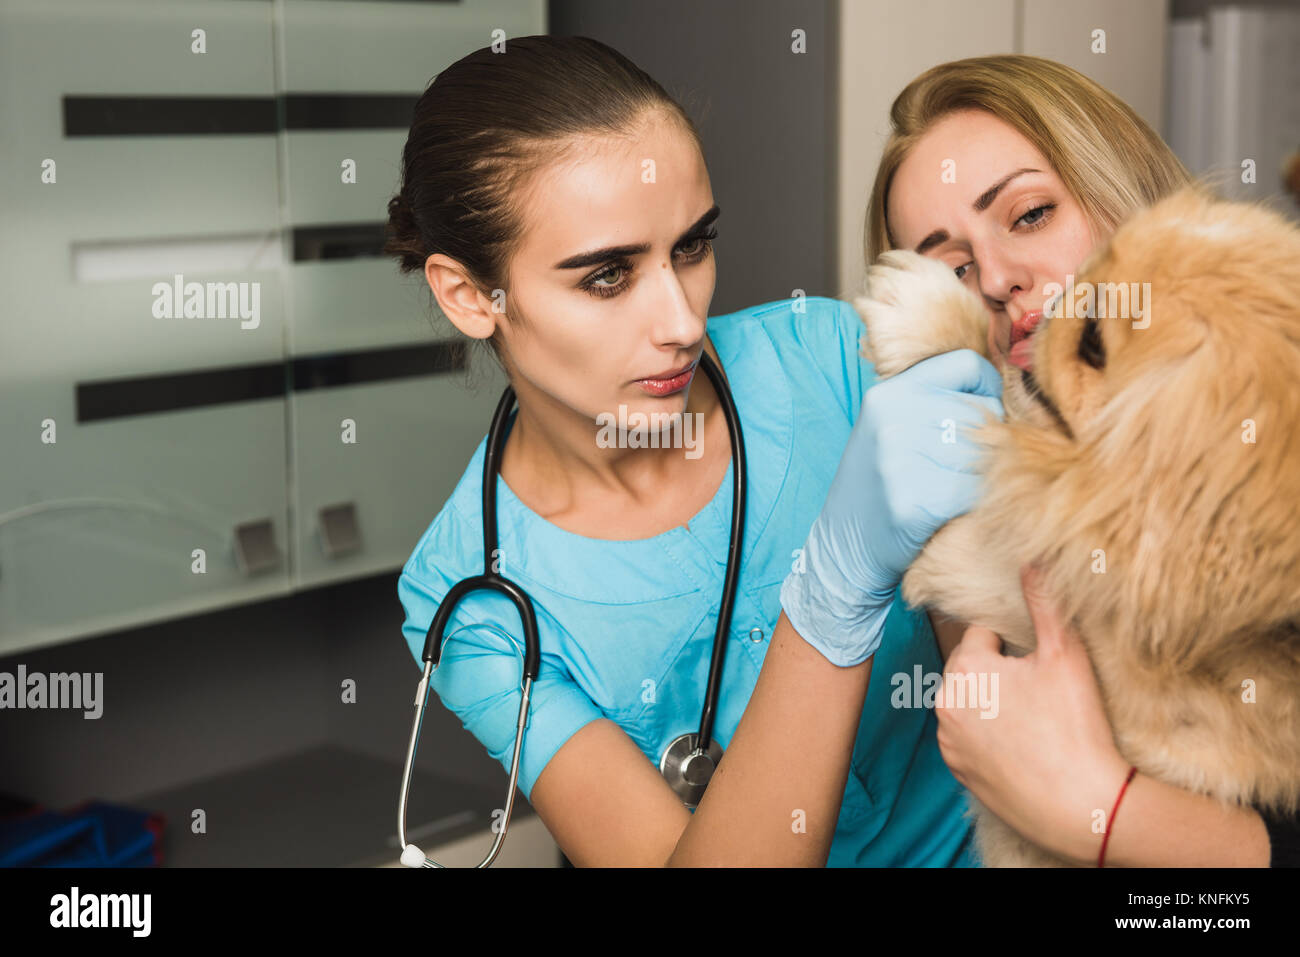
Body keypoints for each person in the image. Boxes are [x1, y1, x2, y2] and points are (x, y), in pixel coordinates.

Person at [388, 35, 1003, 866]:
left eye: (692, 246)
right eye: (607, 276)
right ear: (470, 295)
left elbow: (1016, 685)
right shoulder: (471, 601)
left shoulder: (833, 359)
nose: (682, 322)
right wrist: (832, 595)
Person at [865, 54, 1298, 867]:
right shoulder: (956, 485)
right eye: (952, 268)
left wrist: (1106, 814)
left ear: (1128, 192)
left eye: (1028, 215)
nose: (995, 279)